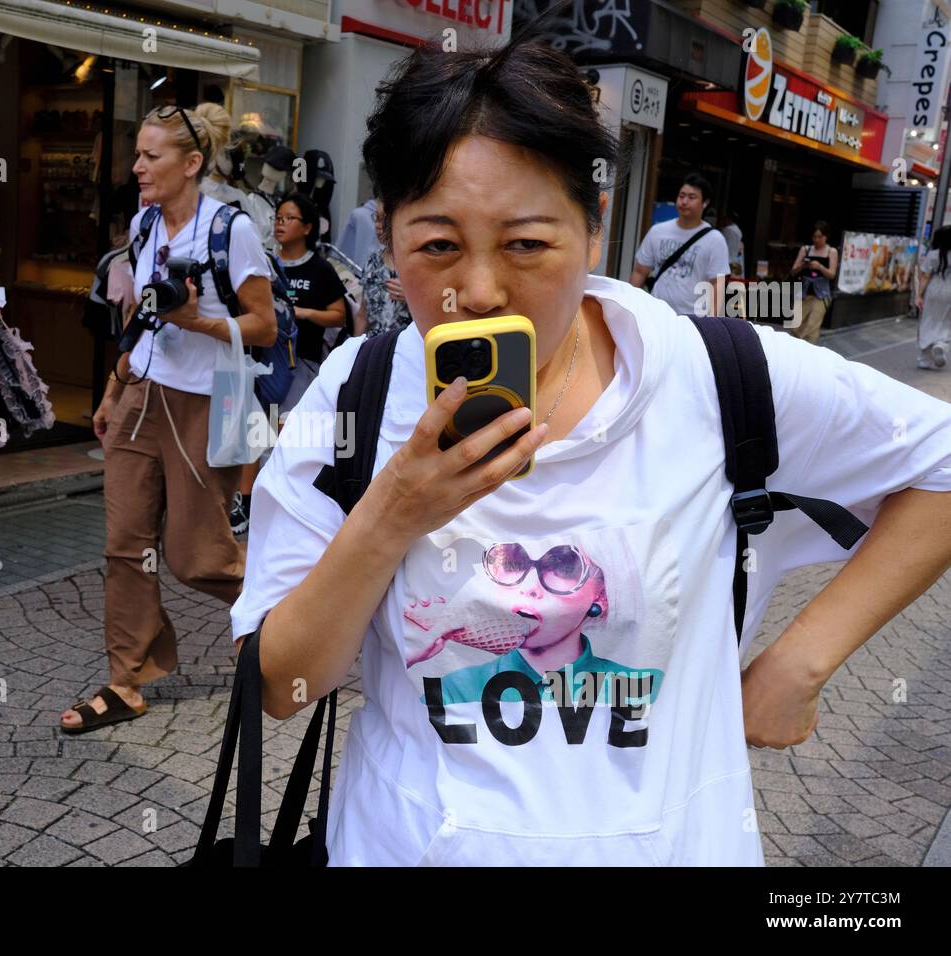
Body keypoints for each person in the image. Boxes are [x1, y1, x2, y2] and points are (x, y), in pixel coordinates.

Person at [229, 22, 951, 866]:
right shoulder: (352, 393)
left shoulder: (714, 375)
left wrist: (802, 661)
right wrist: (390, 515)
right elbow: (280, 687)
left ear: (595, 227)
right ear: (388, 240)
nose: (482, 289)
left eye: (527, 243)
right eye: (437, 246)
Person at [60, 102, 278, 733]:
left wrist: (201, 322)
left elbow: (262, 327)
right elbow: (146, 317)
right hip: (141, 393)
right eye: (137, 154)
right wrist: (112, 386)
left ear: (190, 164)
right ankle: (126, 680)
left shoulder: (229, 229)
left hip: (203, 402)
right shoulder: (145, 223)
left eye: (150, 156)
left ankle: (283, 617)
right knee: (125, 545)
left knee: (194, 555)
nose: (136, 168)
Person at [229, 193, 347, 535]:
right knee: (255, 431)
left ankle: (289, 502)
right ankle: (247, 501)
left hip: (303, 364)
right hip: (263, 362)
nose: (279, 224)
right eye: (277, 217)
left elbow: (339, 315)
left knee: (288, 434)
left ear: (308, 227)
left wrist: (304, 314)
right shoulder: (263, 264)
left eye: (289, 218)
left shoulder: (320, 268)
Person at [629, 174, 729, 316]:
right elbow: (640, 271)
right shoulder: (657, 231)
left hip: (693, 320)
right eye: (681, 196)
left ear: (705, 203)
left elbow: (717, 284)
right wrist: (630, 307)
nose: (684, 201)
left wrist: (712, 322)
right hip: (656, 314)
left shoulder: (715, 240)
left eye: (691, 197)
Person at [354, 201, 412, 337]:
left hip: (405, 347)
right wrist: (355, 351)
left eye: (384, 219)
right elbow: (363, 315)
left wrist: (413, 298)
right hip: (375, 347)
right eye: (376, 218)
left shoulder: (416, 261)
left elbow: (441, 312)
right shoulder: (373, 261)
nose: (378, 226)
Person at [789, 221, 838, 344]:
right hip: (803, 292)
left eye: (820, 236)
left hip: (820, 295)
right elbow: (793, 271)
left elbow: (832, 274)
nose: (816, 239)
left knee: (811, 328)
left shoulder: (831, 251)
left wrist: (820, 267)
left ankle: (808, 356)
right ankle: (794, 350)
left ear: (826, 237)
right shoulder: (805, 249)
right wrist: (803, 266)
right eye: (814, 236)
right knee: (795, 325)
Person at [915, 225, 951, 370]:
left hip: (934, 289)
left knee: (928, 320)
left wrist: (918, 295)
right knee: (946, 321)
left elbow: (925, 276)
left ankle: (924, 358)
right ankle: (941, 344)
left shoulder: (932, 254)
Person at [719, 211, 743, 278]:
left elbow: (720, 245)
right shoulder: (738, 231)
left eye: (725, 219)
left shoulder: (727, 229)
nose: (723, 221)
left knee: (719, 284)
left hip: (724, 261)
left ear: (729, 219)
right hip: (733, 261)